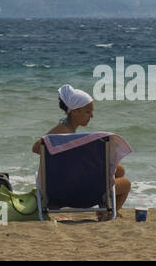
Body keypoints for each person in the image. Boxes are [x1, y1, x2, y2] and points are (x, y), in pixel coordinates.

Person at [32, 83, 130, 219]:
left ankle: (104, 209)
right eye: (88, 111)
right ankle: (107, 212)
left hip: (59, 190)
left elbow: (38, 147)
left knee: (119, 170)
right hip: (85, 192)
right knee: (126, 183)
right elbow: (37, 147)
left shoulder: (63, 130)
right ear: (74, 111)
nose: (92, 116)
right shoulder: (63, 131)